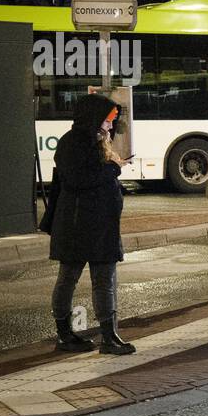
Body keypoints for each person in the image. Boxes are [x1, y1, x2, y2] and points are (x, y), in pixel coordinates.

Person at [48, 94, 136, 355]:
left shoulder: (97, 140)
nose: (110, 126)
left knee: (103, 280)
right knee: (69, 278)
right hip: (78, 224)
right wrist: (113, 168)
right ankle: (65, 334)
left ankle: (109, 335)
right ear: (94, 117)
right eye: (108, 121)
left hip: (100, 225)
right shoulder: (72, 143)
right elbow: (78, 179)